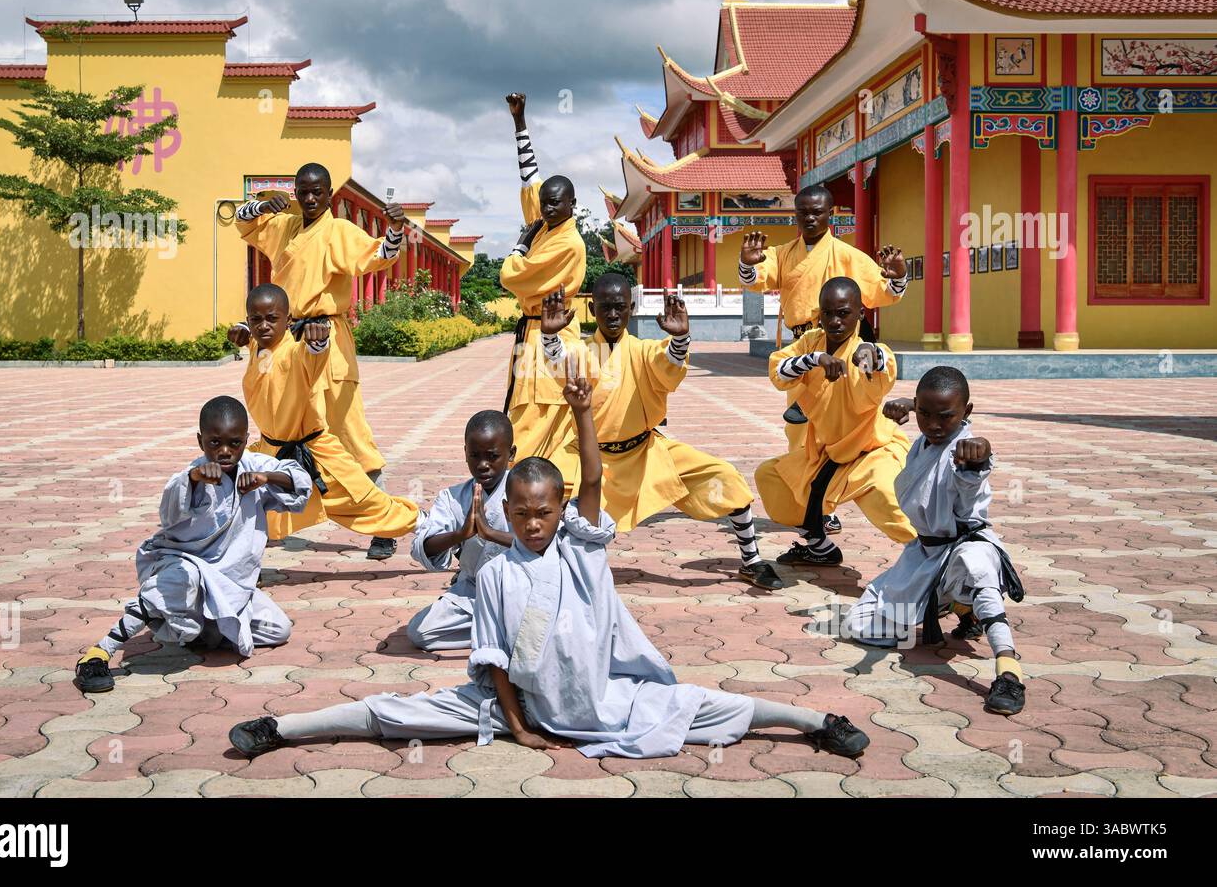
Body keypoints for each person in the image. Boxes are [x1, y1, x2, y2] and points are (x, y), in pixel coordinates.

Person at [228, 363, 870, 759]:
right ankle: (279, 726)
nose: (534, 524)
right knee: (395, 712)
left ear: (561, 510)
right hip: (527, 708)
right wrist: (519, 727)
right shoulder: (499, 572)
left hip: (609, 702)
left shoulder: (582, 549)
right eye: (524, 514)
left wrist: (584, 413)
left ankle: (820, 721)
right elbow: (497, 661)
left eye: (545, 513)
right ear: (510, 504)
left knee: (718, 708)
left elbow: (593, 480)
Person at [537, 274, 770, 588]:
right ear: (593, 310)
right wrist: (550, 337)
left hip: (647, 453)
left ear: (631, 308)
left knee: (725, 477)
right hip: (588, 459)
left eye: (620, 307)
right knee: (539, 493)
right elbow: (560, 364)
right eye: (605, 307)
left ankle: (751, 559)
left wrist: (680, 339)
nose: (613, 314)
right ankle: (537, 567)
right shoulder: (583, 351)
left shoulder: (644, 350)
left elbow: (668, 365)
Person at [74, 396, 311, 693]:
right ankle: (99, 653)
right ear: (201, 441)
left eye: (234, 443)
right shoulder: (188, 476)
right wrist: (196, 479)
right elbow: (170, 511)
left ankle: (198, 625)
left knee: (279, 629)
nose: (225, 452)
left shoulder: (254, 465)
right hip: (184, 566)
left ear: (246, 440)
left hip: (230, 583)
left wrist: (266, 478)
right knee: (179, 579)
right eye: (215, 443)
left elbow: (299, 479)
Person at [232, 163, 407, 560]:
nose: (310, 199)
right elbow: (241, 225)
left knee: (350, 433)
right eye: (303, 192)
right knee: (281, 427)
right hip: (285, 340)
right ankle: (269, 520)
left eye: (318, 192)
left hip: (327, 338)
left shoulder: (340, 231)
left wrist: (395, 228)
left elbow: (381, 255)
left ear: (330, 194)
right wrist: (259, 207)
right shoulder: (284, 227)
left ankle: (383, 525)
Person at [846, 367, 1026, 716]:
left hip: (965, 546)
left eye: (947, 416)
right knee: (860, 625)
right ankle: (961, 607)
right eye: (925, 414)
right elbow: (930, 414)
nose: (935, 424)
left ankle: (1008, 670)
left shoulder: (963, 449)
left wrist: (980, 455)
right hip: (924, 555)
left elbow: (972, 472)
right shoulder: (925, 441)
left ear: (967, 413)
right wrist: (907, 407)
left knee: (978, 566)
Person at [739, 183, 909, 535]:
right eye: (803, 212)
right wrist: (747, 263)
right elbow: (758, 277)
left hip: (844, 346)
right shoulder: (785, 254)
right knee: (800, 431)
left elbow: (880, 291)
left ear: (831, 214)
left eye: (818, 212)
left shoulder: (847, 255)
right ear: (796, 215)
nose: (811, 218)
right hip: (806, 349)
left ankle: (864, 476)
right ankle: (815, 504)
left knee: (851, 419)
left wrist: (896, 277)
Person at [754, 277, 915, 586]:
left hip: (871, 451)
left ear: (860, 314)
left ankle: (945, 572)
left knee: (893, 507)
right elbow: (777, 371)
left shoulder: (867, 352)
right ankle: (820, 548)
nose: (835, 321)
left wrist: (871, 356)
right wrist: (815, 360)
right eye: (828, 313)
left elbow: (884, 365)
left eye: (844, 313)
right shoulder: (811, 343)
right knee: (771, 477)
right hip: (827, 453)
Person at [240, 283, 419, 546]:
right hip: (272, 454)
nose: (264, 325)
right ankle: (239, 565)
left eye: (272, 319)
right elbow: (262, 362)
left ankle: (431, 526)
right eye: (256, 320)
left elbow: (311, 356)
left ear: (288, 321)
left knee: (370, 506)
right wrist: (246, 338)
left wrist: (318, 342)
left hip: (317, 458)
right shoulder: (262, 349)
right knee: (249, 506)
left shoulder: (295, 351)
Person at [499, 92, 587, 494]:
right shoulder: (546, 228)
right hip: (531, 333)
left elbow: (513, 277)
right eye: (546, 204)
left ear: (573, 204)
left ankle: (520, 499)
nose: (548, 208)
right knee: (528, 413)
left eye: (557, 203)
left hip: (550, 333)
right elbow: (529, 177)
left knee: (537, 419)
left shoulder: (567, 243)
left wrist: (519, 245)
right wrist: (520, 123)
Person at [406, 410, 516, 651]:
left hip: (519, 589)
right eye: (474, 456)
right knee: (420, 632)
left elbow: (547, 543)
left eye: (492, 456)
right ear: (465, 453)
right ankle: (502, 631)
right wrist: (460, 534)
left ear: (511, 454)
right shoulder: (453, 497)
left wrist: (489, 532)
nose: (482, 465)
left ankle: (503, 628)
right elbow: (422, 546)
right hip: (473, 592)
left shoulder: (526, 490)